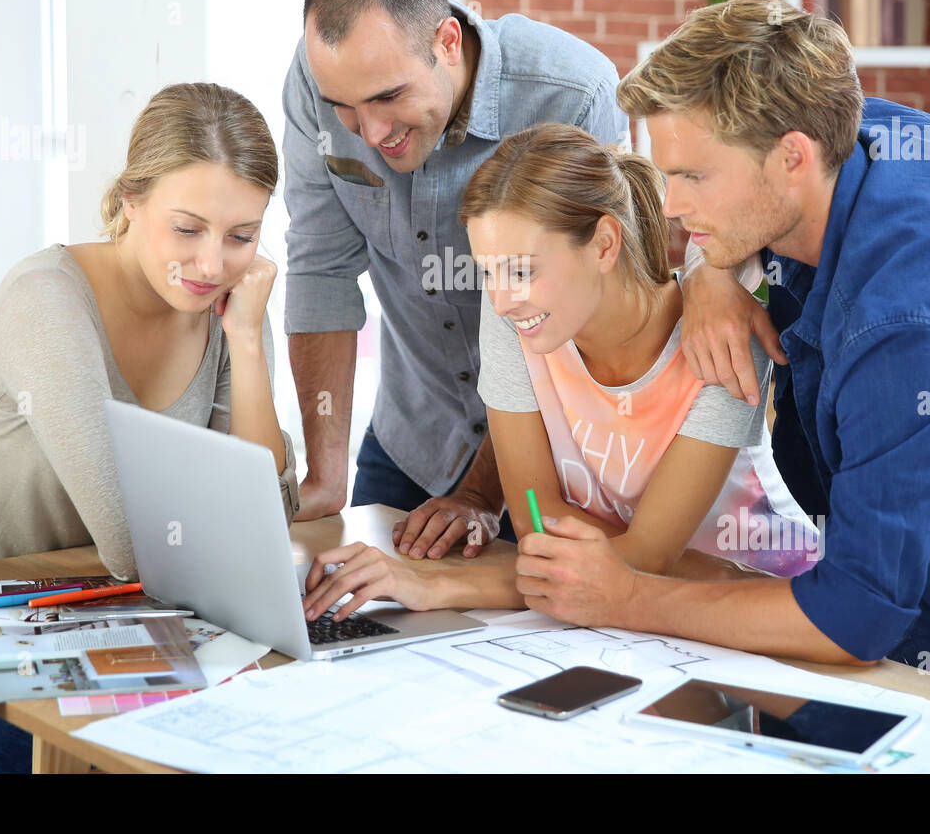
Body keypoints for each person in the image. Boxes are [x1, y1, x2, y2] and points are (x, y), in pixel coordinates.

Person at [513, 0, 930, 730]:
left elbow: (857, 611)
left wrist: (628, 595)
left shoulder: (910, 317)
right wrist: (713, 270)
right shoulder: (863, 139)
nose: (671, 208)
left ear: (792, 156)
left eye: (694, 177)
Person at [0, 81, 299, 769]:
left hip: (136, 622)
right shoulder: (48, 304)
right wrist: (226, 544)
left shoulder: (226, 300)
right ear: (131, 201)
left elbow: (266, 516)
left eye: (242, 235)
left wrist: (245, 342)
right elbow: (139, 549)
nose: (213, 263)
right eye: (187, 228)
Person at [301, 125, 817, 622]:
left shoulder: (718, 337)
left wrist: (435, 585)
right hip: (621, 612)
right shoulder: (517, 319)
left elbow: (645, 559)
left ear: (604, 245)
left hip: (758, 603)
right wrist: (427, 582)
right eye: (488, 271)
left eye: (522, 270)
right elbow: (531, 523)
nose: (501, 300)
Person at [282, 0, 635, 559]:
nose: (370, 133)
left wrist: (480, 492)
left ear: (447, 42)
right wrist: (324, 475)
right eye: (346, 109)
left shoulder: (572, 94)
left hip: (550, 461)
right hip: (411, 436)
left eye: (389, 98)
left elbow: (596, 310)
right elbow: (321, 270)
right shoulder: (321, 79)